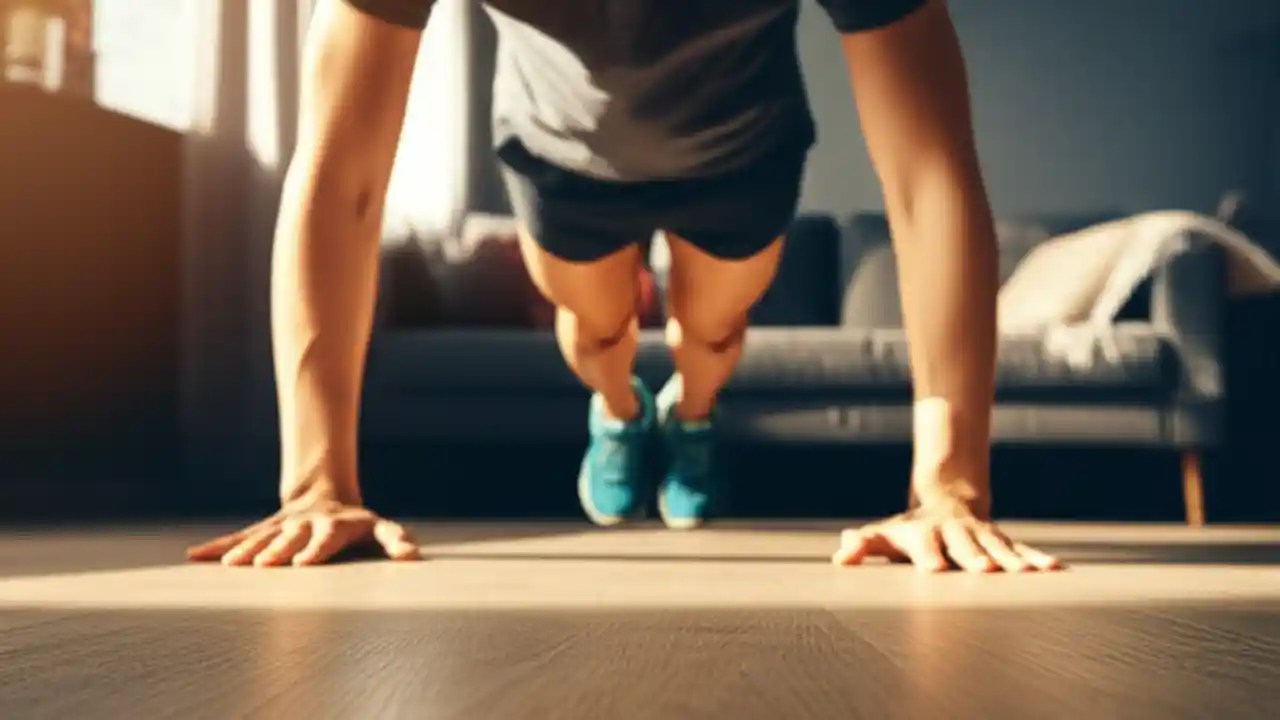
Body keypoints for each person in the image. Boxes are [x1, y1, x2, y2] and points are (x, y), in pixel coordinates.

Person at [187, 0, 1062, 573]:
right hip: (561, 160)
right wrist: (315, 485)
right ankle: (619, 411)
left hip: (742, 155)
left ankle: (691, 417)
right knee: (600, 334)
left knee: (709, 337)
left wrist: (949, 484)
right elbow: (342, 177)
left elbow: (929, 177)